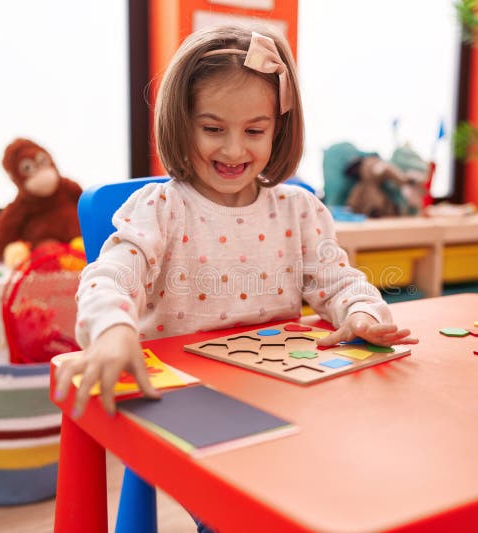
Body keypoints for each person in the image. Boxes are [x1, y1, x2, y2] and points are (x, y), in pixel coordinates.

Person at [54, 24, 417, 417]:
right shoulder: (159, 208)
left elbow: (341, 284)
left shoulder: (299, 209)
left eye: (254, 130)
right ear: (182, 122)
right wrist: (112, 329)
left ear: (278, 131)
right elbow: (109, 279)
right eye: (212, 129)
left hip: (282, 393)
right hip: (181, 396)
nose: (233, 149)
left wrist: (361, 314)